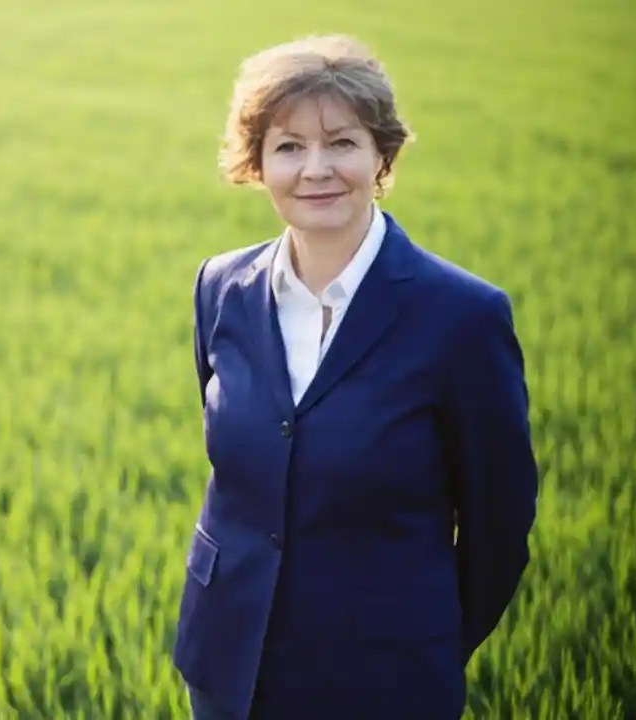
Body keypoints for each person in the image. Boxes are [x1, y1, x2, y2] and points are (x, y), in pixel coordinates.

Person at [172, 34, 539, 719]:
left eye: (341, 142)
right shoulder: (219, 287)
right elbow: (239, 464)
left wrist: (422, 646)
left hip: (384, 682)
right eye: (288, 146)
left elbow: (500, 524)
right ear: (257, 163)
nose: (316, 169)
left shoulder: (461, 318)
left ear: (381, 156)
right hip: (227, 668)